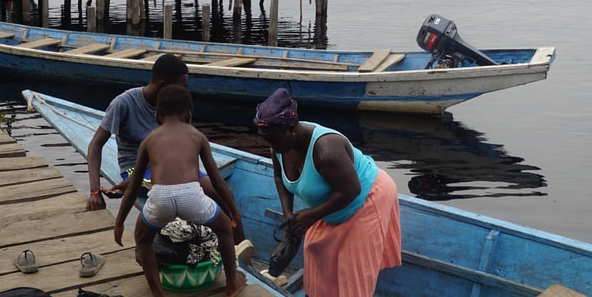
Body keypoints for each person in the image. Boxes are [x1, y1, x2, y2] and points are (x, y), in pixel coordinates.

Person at [84, 54, 247, 245]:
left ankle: (241, 251)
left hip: (173, 164)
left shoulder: (178, 105)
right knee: (191, 194)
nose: (185, 91)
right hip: (136, 168)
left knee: (222, 193)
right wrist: (95, 191)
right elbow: (96, 144)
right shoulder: (124, 103)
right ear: (162, 85)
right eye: (182, 86)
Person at [255, 87, 401, 297]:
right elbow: (279, 177)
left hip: (367, 198)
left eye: (274, 140)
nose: (270, 145)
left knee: (351, 268)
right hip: (331, 200)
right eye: (266, 140)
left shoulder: (326, 149)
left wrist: (311, 215)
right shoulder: (278, 144)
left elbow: (351, 190)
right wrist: (288, 213)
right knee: (315, 249)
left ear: (292, 129)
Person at [113, 85, 247, 297]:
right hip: (191, 195)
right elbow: (217, 181)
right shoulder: (197, 136)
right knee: (223, 229)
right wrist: (233, 212)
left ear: (157, 116)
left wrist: (120, 221)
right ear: (189, 115)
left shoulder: (149, 141)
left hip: (160, 196)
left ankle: (158, 293)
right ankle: (232, 284)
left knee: (143, 239)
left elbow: (133, 186)